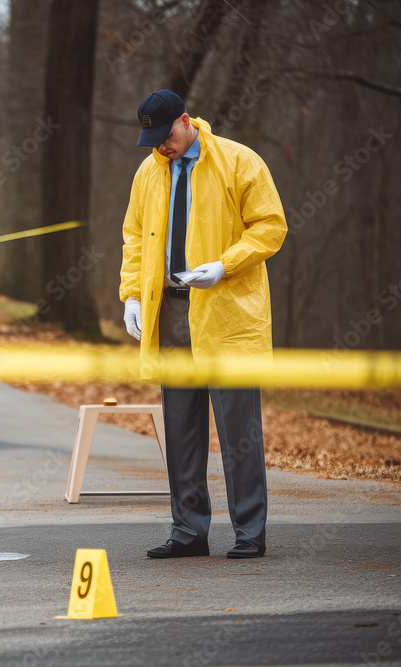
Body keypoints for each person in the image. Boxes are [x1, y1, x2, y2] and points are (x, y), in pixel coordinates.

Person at [119, 90, 287, 559]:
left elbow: (271, 227)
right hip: (171, 310)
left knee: (239, 429)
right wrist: (131, 293)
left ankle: (250, 532)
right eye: (151, 139)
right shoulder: (149, 171)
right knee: (181, 426)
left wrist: (225, 264)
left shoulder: (238, 161)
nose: (160, 146)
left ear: (186, 121)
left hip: (226, 310)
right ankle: (189, 531)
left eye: (165, 136)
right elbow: (133, 236)